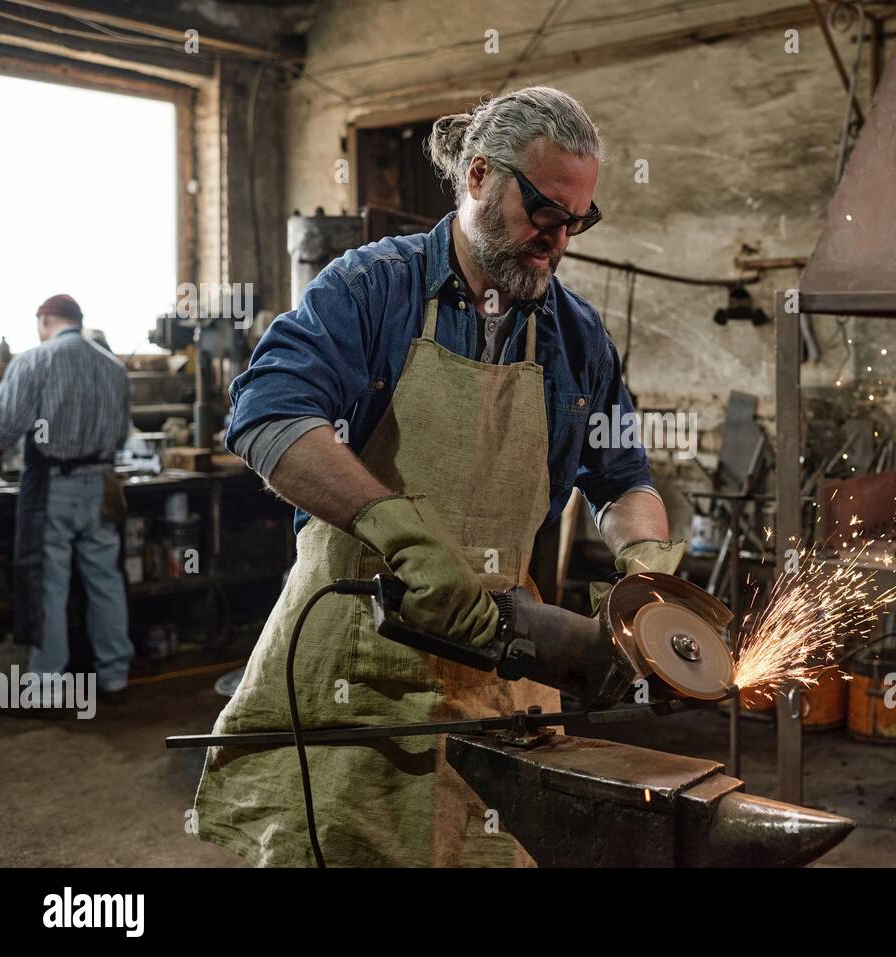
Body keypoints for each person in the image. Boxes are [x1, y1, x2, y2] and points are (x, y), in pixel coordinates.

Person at [195, 86, 685, 866]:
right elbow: (267, 415)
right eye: (544, 214)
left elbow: (623, 477)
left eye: (575, 223)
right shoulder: (369, 289)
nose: (555, 241)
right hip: (357, 674)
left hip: (497, 680)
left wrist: (646, 565)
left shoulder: (577, 336)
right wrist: (394, 528)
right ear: (481, 177)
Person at [0, 294, 133, 715]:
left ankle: (48, 687)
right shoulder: (113, 367)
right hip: (101, 485)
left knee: (50, 585)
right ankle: (114, 676)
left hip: (52, 487)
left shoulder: (35, 361)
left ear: (45, 319)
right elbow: (123, 435)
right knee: (105, 579)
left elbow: (4, 429)